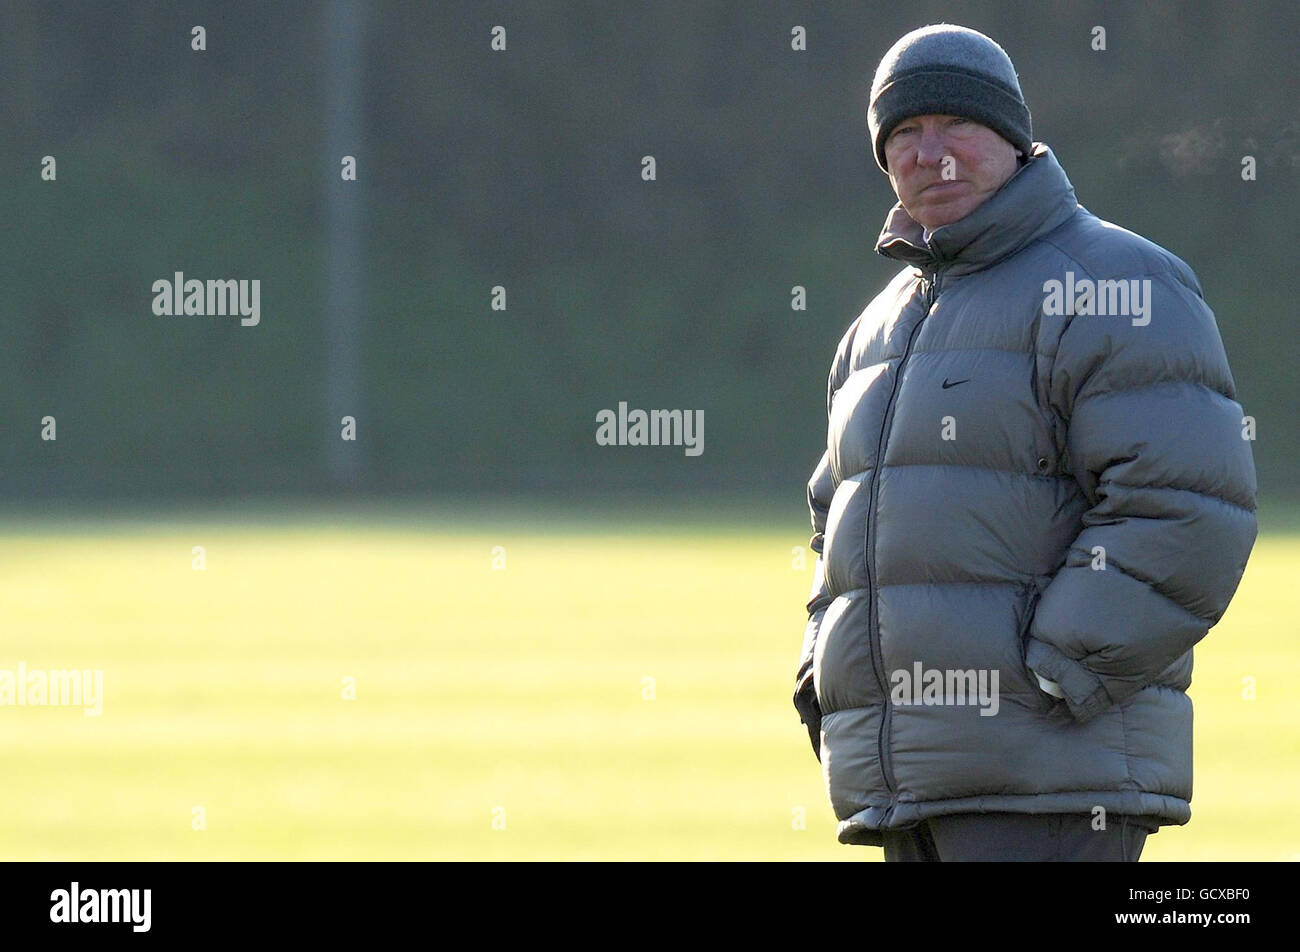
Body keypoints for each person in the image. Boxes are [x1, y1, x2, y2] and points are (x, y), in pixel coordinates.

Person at [791, 23, 1258, 862]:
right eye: (903, 133)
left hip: (1053, 789)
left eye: (953, 125)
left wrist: (1055, 671)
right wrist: (820, 676)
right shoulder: (877, 327)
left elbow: (1188, 511)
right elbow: (836, 528)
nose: (928, 152)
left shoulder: (1119, 282)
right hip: (908, 795)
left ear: (1011, 138)